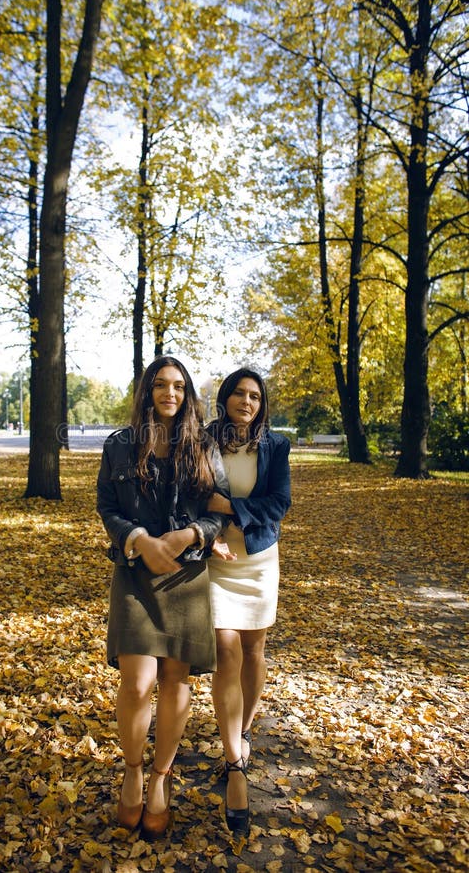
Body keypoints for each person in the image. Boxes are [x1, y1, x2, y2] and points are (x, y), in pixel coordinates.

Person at [96, 355, 230, 840]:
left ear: (187, 393)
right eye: (160, 385)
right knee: (136, 683)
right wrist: (140, 540)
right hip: (134, 574)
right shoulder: (120, 445)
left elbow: (220, 511)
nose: (169, 393)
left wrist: (189, 534)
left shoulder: (204, 447)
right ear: (147, 390)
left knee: (175, 681)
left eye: (178, 386)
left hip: (186, 576)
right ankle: (132, 770)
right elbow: (106, 507)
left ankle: (160, 779)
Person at [206, 368, 291, 835]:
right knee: (226, 649)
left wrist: (231, 508)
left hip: (258, 558)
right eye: (238, 392)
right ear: (226, 398)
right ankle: (235, 762)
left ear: (262, 404)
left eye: (254, 395)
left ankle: (240, 733)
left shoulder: (275, 447)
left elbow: (279, 504)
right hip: (216, 558)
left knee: (254, 651)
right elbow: (192, 492)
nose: (246, 400)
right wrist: (212, 520)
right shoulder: (203, 440)